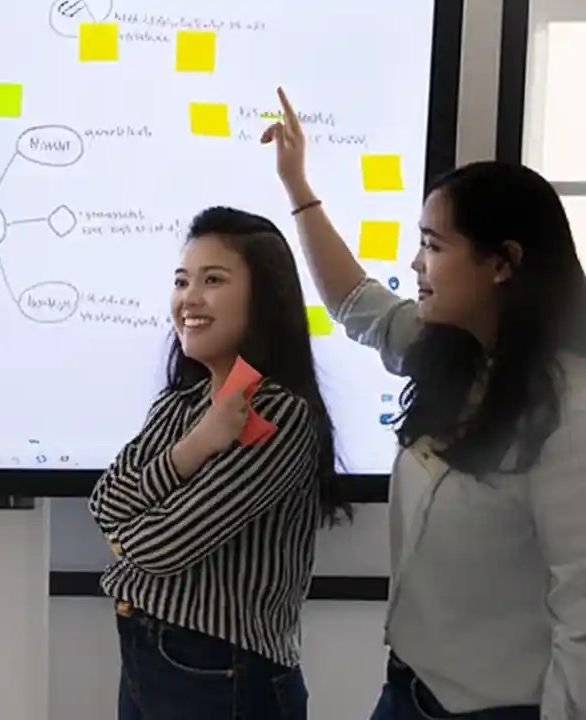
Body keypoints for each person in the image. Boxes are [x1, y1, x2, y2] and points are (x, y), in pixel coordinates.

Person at [263, 87, 586, 719]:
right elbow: (355, 304)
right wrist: (298, 187)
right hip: (407, 691)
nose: (415, 262)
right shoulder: (450, 353)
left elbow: (582, 615)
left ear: (504, 263)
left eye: (434, 245)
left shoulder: (569, 415)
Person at [89, 206, 345, 719]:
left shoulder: (275, 413)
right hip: (148, 654)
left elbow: (163, 548)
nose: (189, 299)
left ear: (263, 297)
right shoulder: (179, 404)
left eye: (213, 280)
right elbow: (103, 502)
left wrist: (123, 539)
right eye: (182, 281)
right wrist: (198, 444)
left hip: (220, 671)